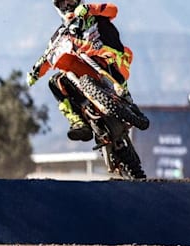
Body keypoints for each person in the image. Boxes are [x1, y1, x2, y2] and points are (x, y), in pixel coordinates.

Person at [27, 0, 136, 142]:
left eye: (71, 1)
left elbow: (112, 10)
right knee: (55, 82)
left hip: (108, 58)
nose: (68, 6)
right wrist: (35, 72)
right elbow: (48, 55)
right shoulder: (60, 34)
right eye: (63, 4)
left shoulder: (92, 14)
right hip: (81, 66)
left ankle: (125, 95)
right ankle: (78, 122)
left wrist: (91, 8)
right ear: (58, 8)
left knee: (109, 59)